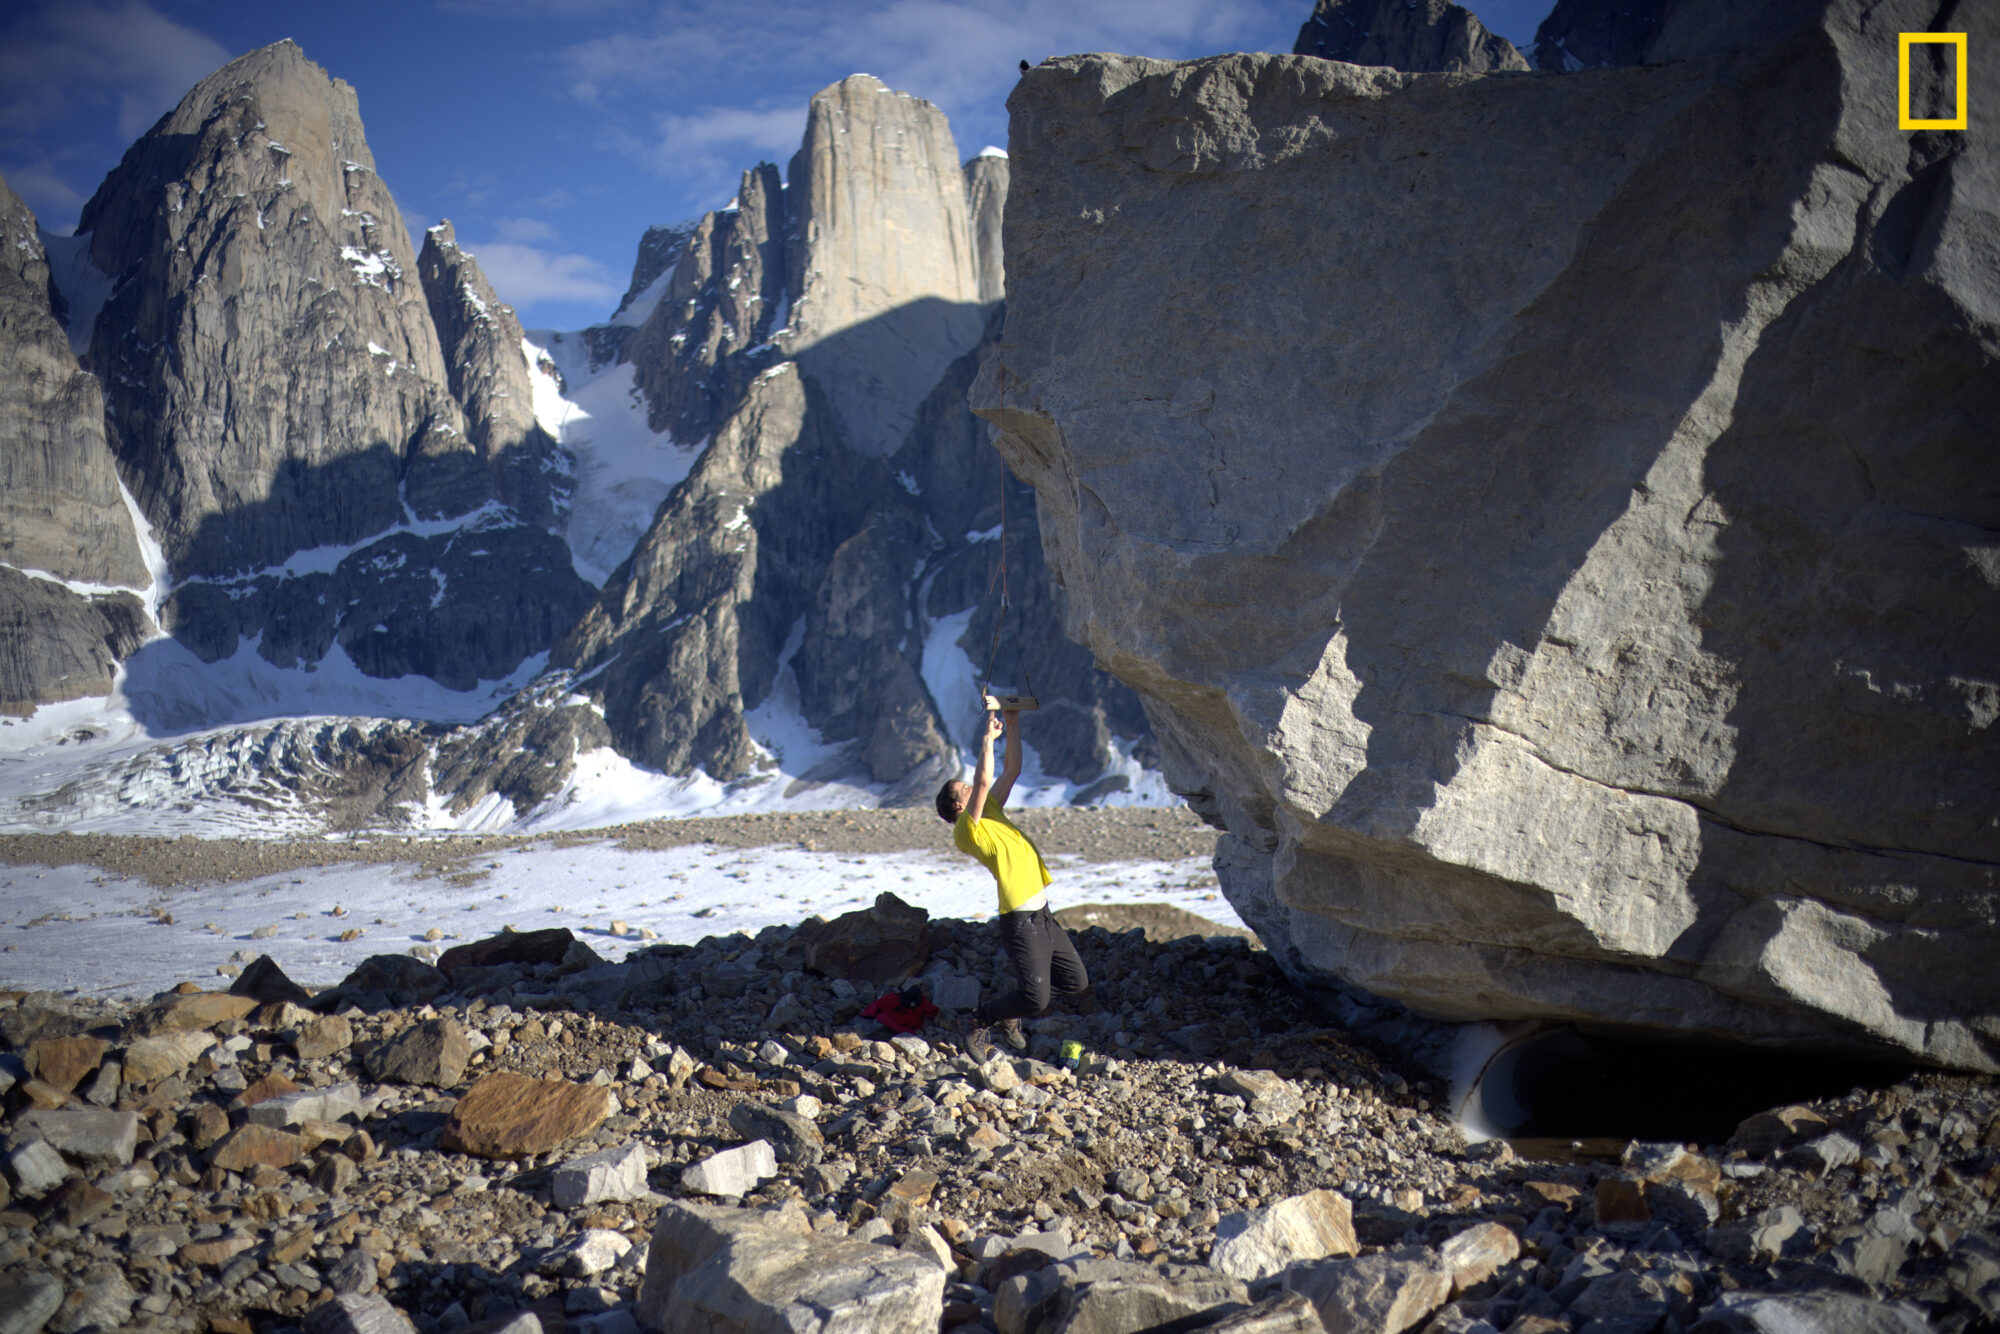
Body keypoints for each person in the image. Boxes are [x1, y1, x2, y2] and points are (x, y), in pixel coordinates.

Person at [935, 708, 1089, 1060]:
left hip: (1043, 915)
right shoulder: (966, 830)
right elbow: (986, 780)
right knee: (1036, 1000)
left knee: (1076, 982)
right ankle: (978, 1021)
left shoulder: (990, 811)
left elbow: (1012, 772)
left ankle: (1011, 1008)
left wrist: (1014, 725)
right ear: (958, 805)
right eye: (965, 788)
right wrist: (988, 739)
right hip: (1019, 920)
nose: (972, 787)